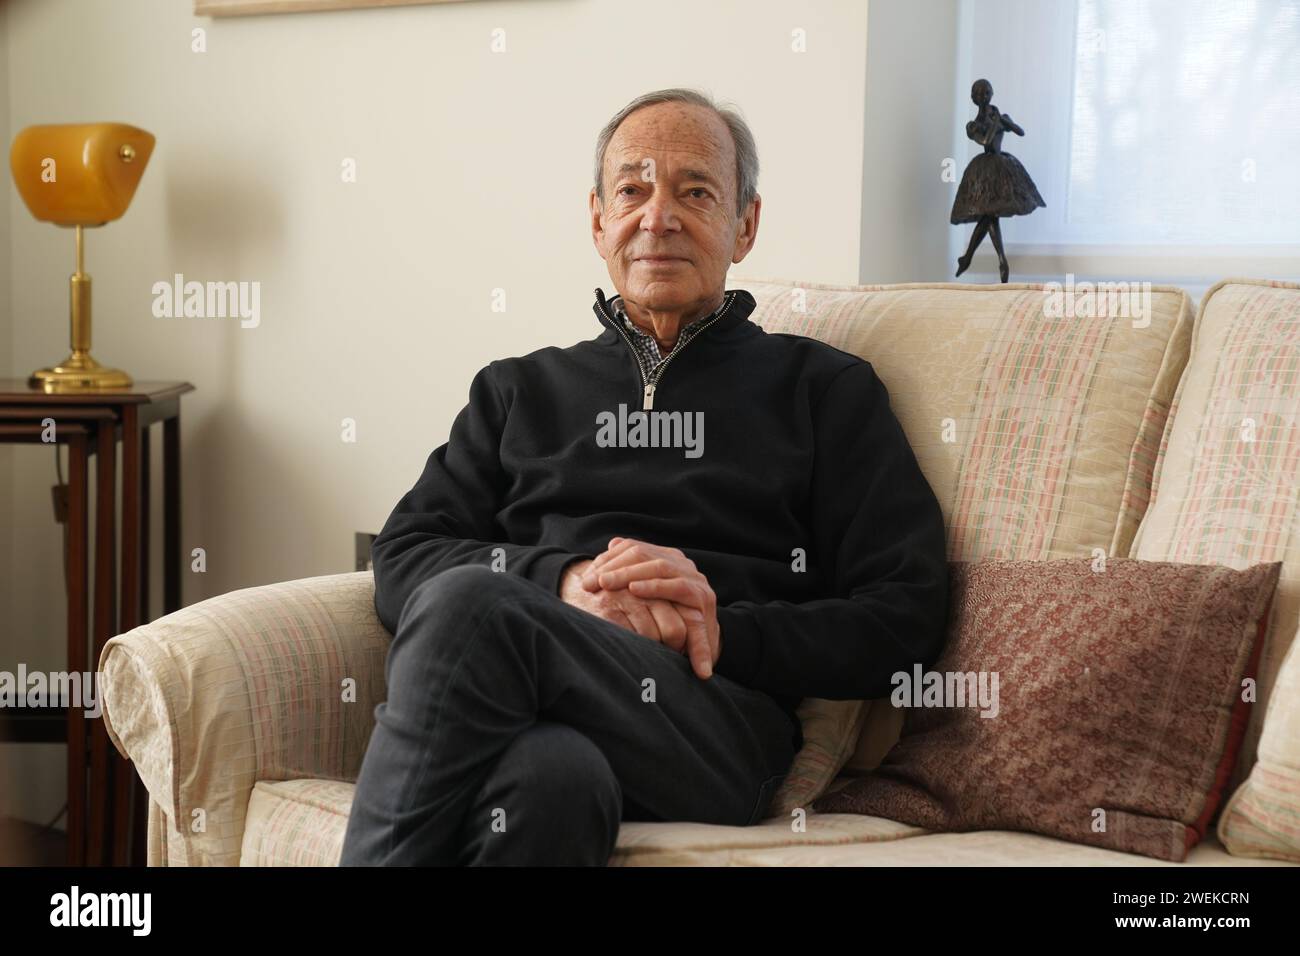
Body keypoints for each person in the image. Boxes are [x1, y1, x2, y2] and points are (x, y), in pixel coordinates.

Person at [339, 88, 950, 866]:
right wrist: (566, 582)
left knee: (472, 605)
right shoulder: (518, 391)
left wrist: (719, 626)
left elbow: (906, 616)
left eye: (695, 191)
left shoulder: (822, 391)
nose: (657, 216)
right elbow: (401, 556)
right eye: (632, 189)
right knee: (548, 784)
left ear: (745, 224)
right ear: (598, 220)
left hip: (713, 724)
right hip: (548, 714)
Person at [952, 78, 1046, 283]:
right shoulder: (973, 125)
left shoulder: (1001, 117)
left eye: (986, 93)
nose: (983, 97)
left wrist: (1006, 122)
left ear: (992, 94)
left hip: (1002, 167)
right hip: (984, 171)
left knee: (990, 215)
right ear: (973, 98)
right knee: (989, 215)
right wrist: (996, 123)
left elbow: (1020, 132)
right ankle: (997, 260)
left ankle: (971, 258)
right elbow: (985, 141)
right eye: (978, 94)